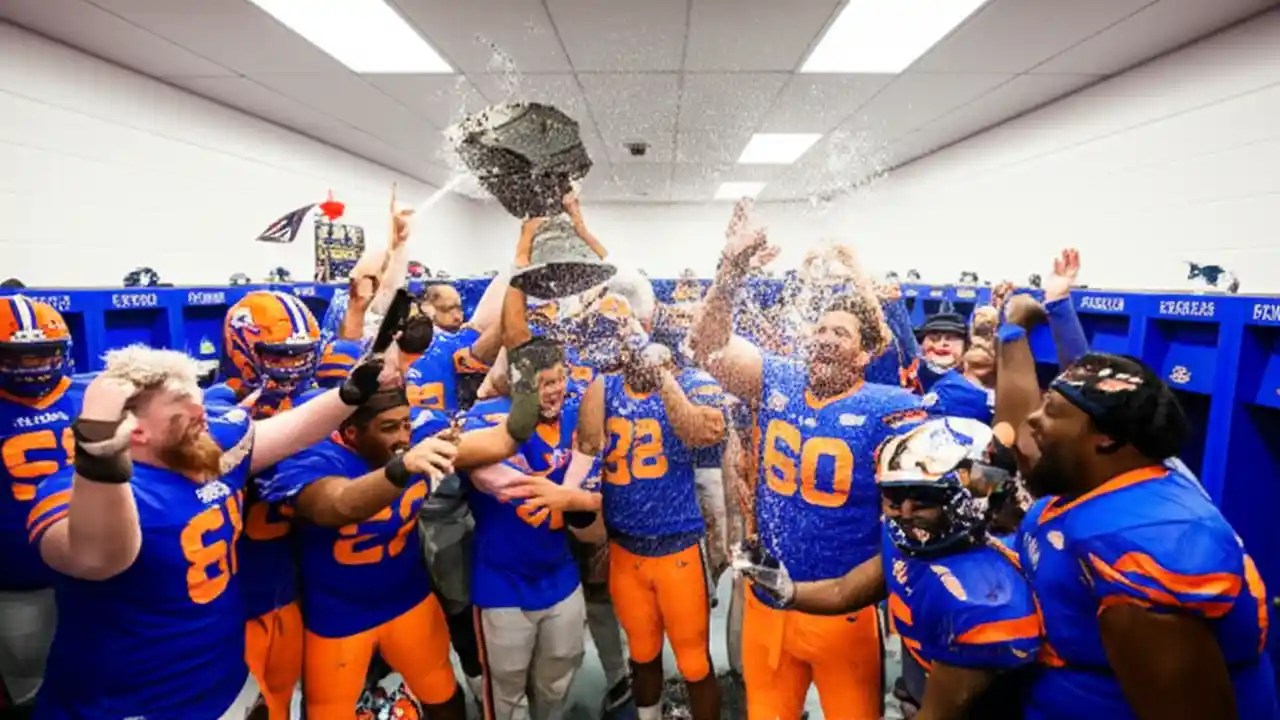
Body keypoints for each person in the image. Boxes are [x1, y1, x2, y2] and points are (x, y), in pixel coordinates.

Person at [25, 343, 392, 719]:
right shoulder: (76, 490)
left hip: (226, 682)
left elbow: (287, 432)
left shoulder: (201, 449)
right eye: (181, 410)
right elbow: (98, 557)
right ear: (134, 431)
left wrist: (349, 395)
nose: (202, 413)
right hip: (129, 706)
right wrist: (101, 450)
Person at [690, 200, 924, 720]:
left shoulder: (890, 409)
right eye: (820, 329)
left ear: (865, 355)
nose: (825, 336)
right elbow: (705, 348)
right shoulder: (778, 379)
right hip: (770, 598)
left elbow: (915, 519)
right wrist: (730, 270)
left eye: (841, 333)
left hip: (843, 608)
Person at [266, 375, 545, 720]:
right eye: (388, 428)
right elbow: (336, 506)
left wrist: (530, 377)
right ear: (351, 432)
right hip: (338, 615)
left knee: (443, 696)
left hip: (408, 598)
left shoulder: (420, 438)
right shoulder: (315, 455)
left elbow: (502, 442)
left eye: (405, 424)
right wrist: (402, 467)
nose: (401, 437)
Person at [1016, 353, 1277, 719]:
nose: (1033, 419)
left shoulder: (1145, 539)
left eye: (1052, 411)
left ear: (1106, 438)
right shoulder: (1083, 491)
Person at [205, 288, 363, 720]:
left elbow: (351, 364)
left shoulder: (314, 402)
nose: (295, 367)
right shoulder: (216, 408)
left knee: (289, 700)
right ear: (243, 350)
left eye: (302, 355)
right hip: (231, 595)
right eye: (282, 355)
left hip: (291, 586)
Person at [0, 297, 82, 715]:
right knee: (31, 690)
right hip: (19, 580)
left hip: (92, 571)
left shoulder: (92, 395)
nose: (33, 364)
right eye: (18, 355)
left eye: (43, 353)